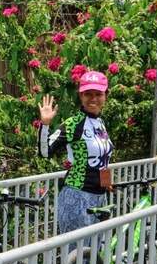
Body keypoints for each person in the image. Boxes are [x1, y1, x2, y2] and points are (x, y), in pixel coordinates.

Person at [37, 70, 114, 234]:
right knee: (77, 256)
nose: (93, 99)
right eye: (88, 94)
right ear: (81, 96)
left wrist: (106, 183)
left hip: (100, 197)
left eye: (98, 94)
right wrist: (45, 125)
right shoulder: (73, 124)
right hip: (77, 197)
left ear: (105, 95)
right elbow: (45, 153)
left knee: (95, 255)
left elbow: (103, 159)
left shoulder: (100, 123)